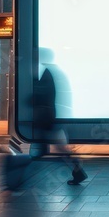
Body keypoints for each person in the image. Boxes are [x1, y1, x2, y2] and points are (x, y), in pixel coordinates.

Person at [34, 50, 87, 185]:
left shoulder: (47, 73)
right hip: (56, 116)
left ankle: (78, 170)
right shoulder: (56, 71)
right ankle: (78, 171)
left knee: (59, 148)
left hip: (50, 117)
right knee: (57, 148)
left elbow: (43, 95)